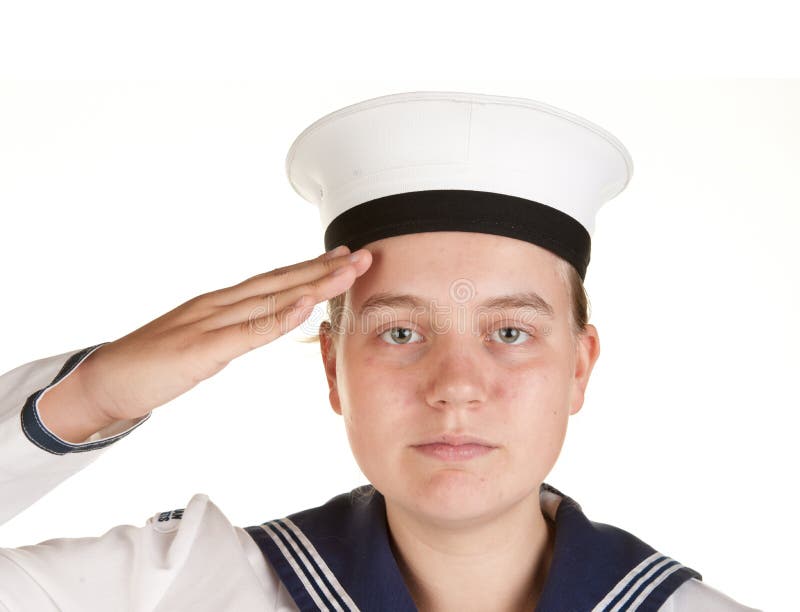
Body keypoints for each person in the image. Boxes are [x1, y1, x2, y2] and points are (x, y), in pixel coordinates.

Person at [0, 91, 760, 611]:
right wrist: (91, 399)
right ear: (332, 368)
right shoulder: (183, 587)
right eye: (401, 332)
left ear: (579, 367)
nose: (456, 387)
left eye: (510, 333)